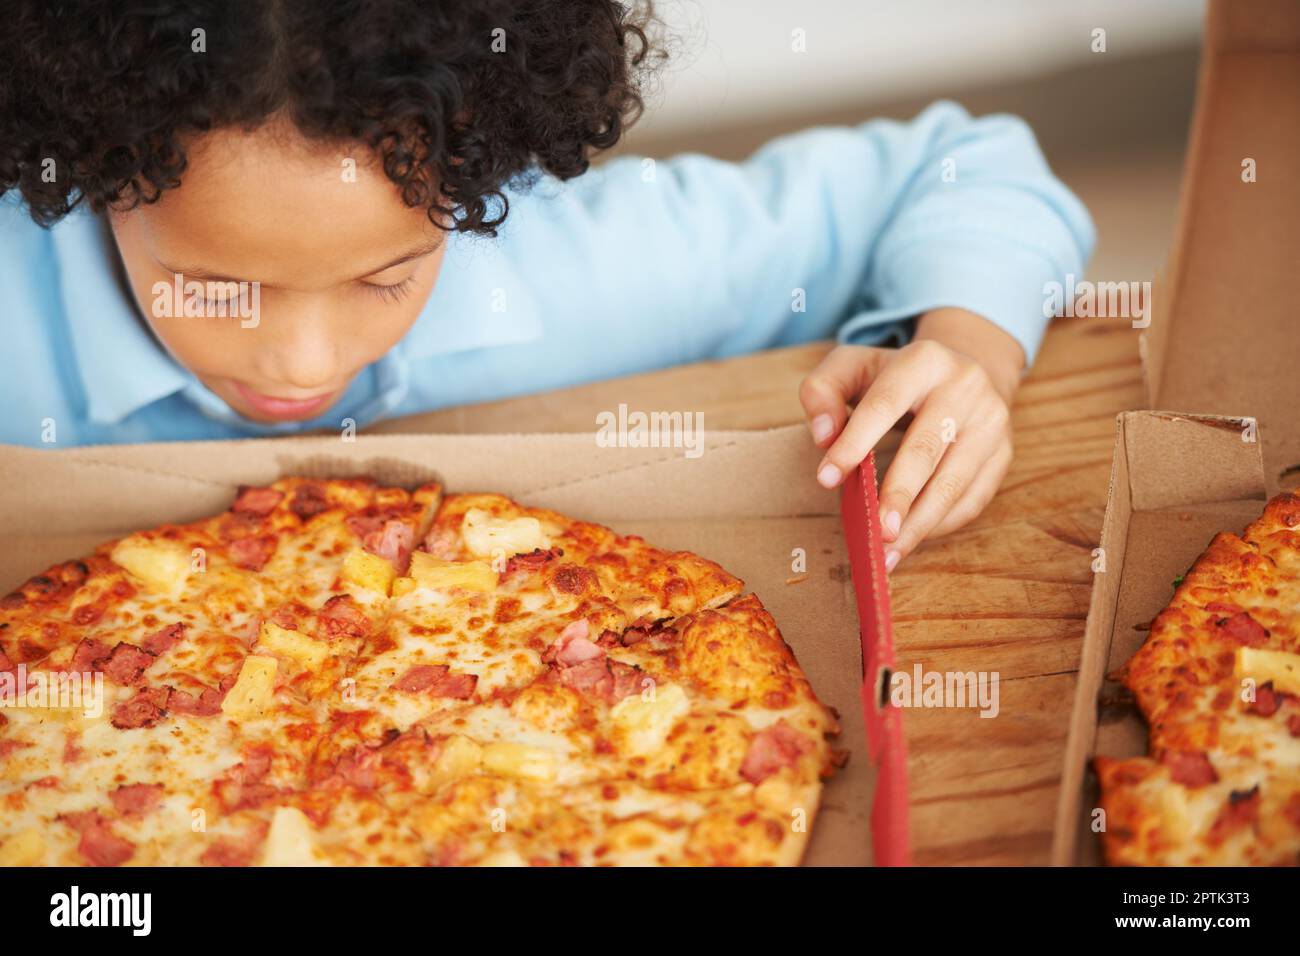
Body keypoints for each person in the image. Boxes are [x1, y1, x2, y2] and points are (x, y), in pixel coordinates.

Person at [0, 1, 1093, 569]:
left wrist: (967, 348)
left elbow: (960, 165)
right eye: (217, 285)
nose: (306, 363)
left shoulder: (591, 265)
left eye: (389, 277)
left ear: (479, 175)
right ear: (99, 176)